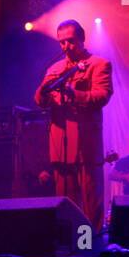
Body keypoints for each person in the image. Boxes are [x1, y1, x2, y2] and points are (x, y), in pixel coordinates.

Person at [33, 20, 113, 231]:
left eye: (70, 41)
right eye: (61, 42)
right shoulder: (55, 68)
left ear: (82, 38)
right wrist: (44, 88)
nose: (65, 47)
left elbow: (102, 97)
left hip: (87, 146)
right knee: (65, 205)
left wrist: (74, 94)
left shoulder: (100, 64)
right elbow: (41, 102)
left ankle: (93, 249)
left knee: (91, 205)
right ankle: (68, 249)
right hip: (61, 146)